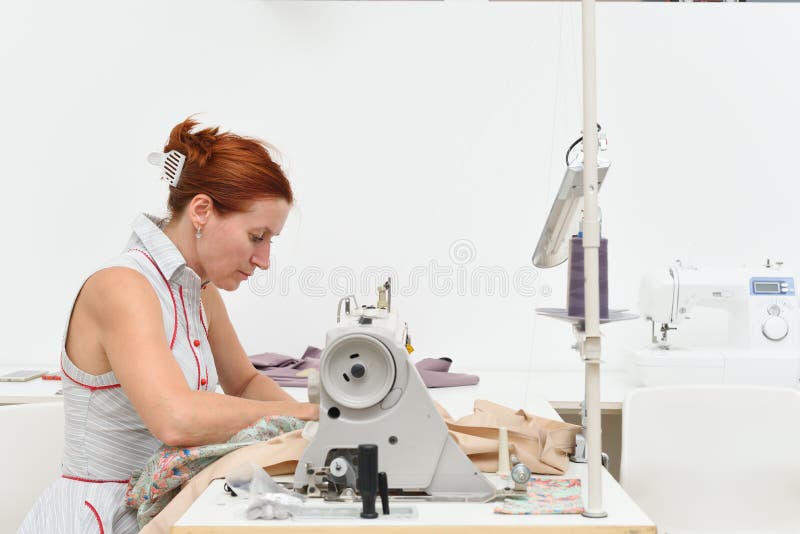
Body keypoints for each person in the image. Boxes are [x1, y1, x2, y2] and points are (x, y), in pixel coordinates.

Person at [19, 117, 318, 533]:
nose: (265, 259)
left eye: (271, 241)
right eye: (257, 236)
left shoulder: (199, 291)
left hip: (167, 507)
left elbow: (245, 382)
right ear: (201, 211)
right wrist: (309, 414)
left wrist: (324, 427)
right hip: (103, 517)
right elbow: (174, 417)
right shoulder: (122, 287)